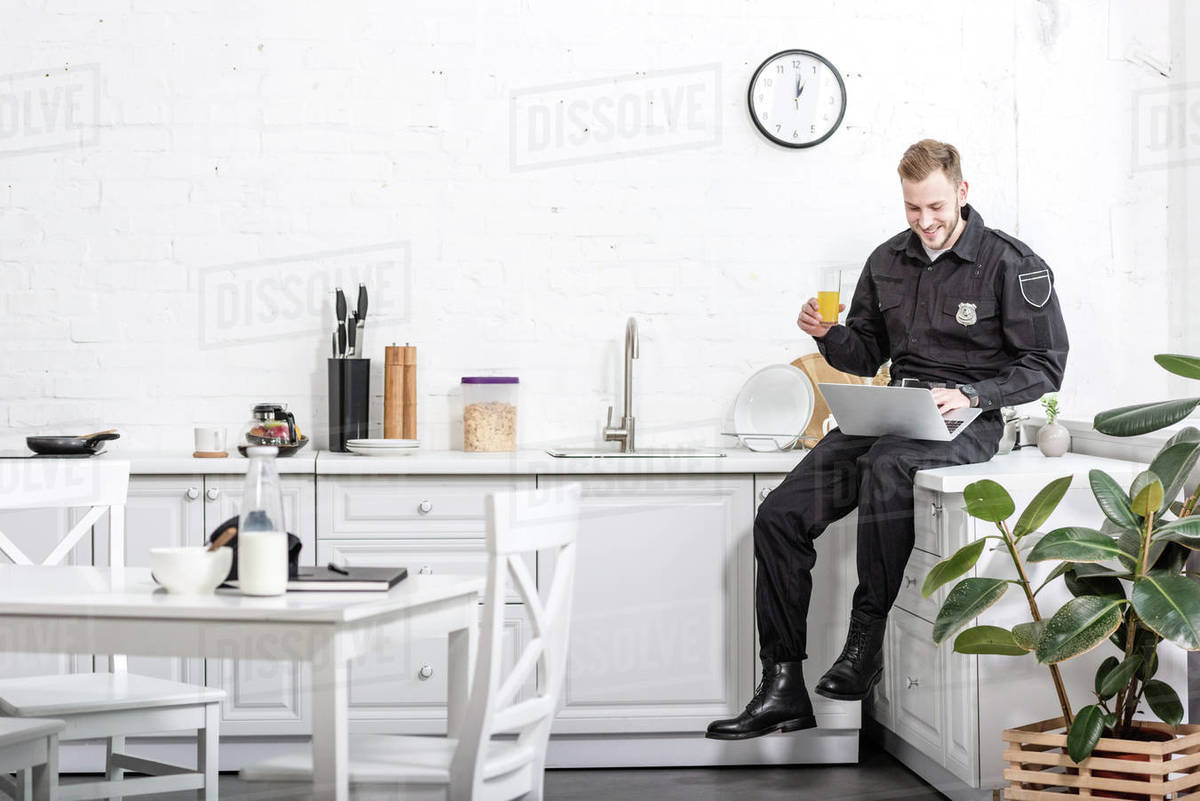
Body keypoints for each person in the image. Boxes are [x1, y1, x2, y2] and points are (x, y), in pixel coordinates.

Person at [706, 139, 1069, 740]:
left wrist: (974, 396)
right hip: (893, 408)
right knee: (777, 516)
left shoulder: (1011, 263)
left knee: (889, 466)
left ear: (962, 192)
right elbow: (866, 353)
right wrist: (829, 334)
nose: (924, 222)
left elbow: (1044, 366)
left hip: (967, 419)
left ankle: (863, 645)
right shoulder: (886, 260)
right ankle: (782, 687)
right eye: (911, 209)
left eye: (935, 207)